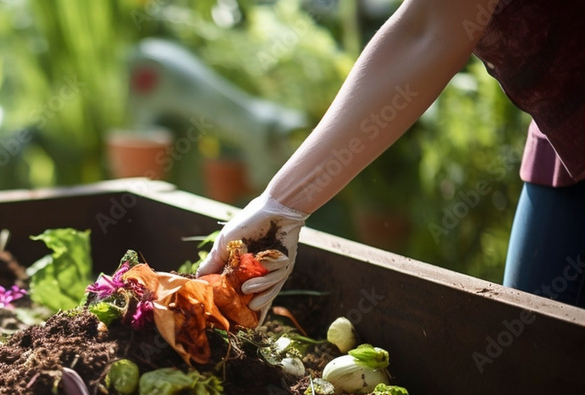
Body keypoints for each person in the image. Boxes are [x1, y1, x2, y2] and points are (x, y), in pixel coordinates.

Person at [197, 0, 585, 311]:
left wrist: (282, 204)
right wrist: (281, 205)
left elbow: (429, 30)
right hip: (561, 129)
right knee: (532, 347)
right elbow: (425, 24)